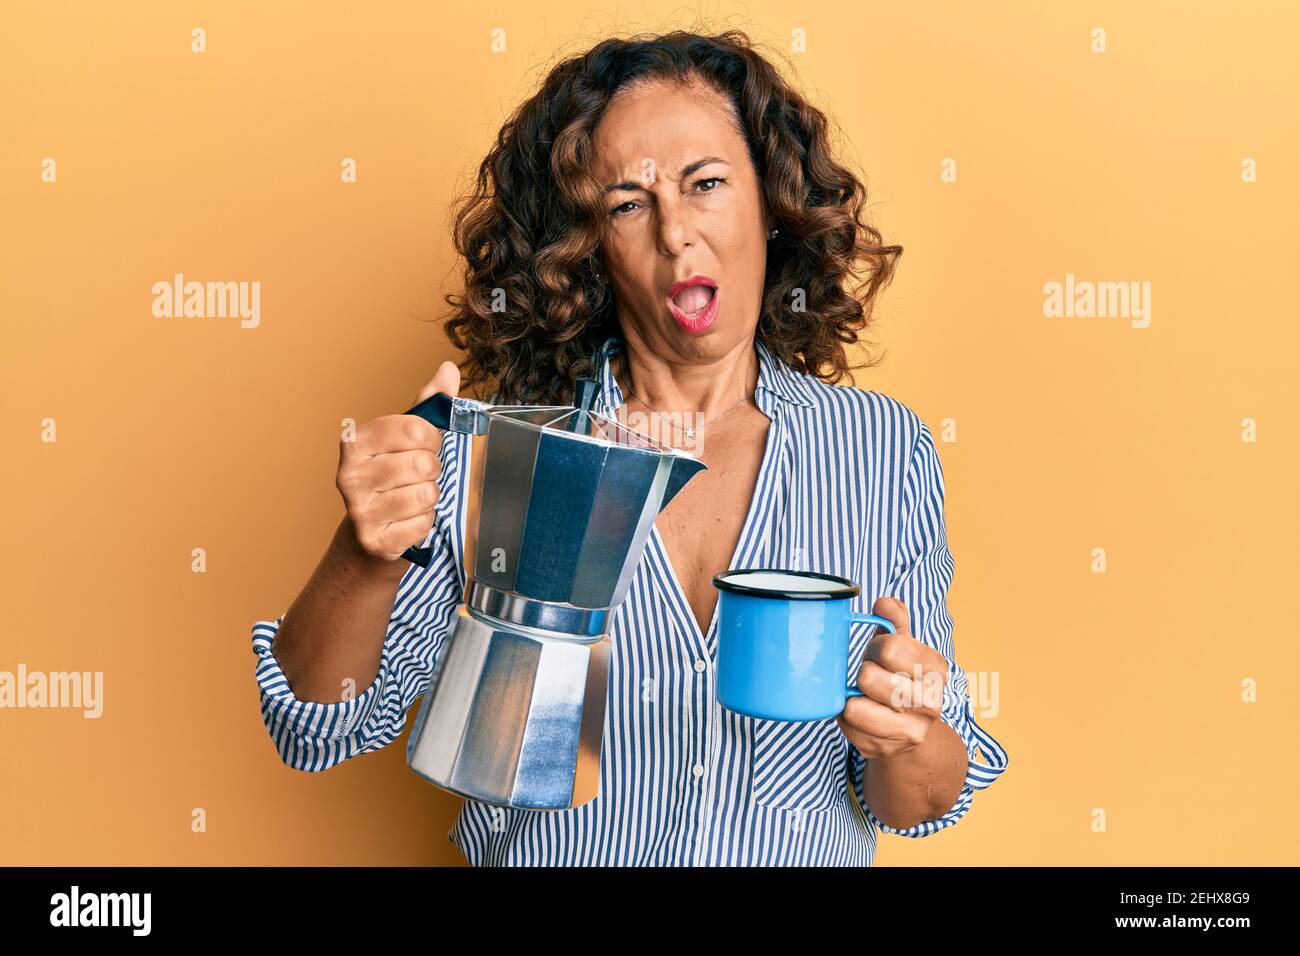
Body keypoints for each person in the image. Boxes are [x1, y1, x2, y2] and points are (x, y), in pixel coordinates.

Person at [251, 29, 1009, 865]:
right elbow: (316, 726)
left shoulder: (881, 450)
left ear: (772, 205)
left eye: (707, 184)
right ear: (586, 251)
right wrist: (364, 555)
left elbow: (925, 799)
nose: (676, 233)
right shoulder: (501, 453)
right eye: (627, 203)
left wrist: (906, 737)